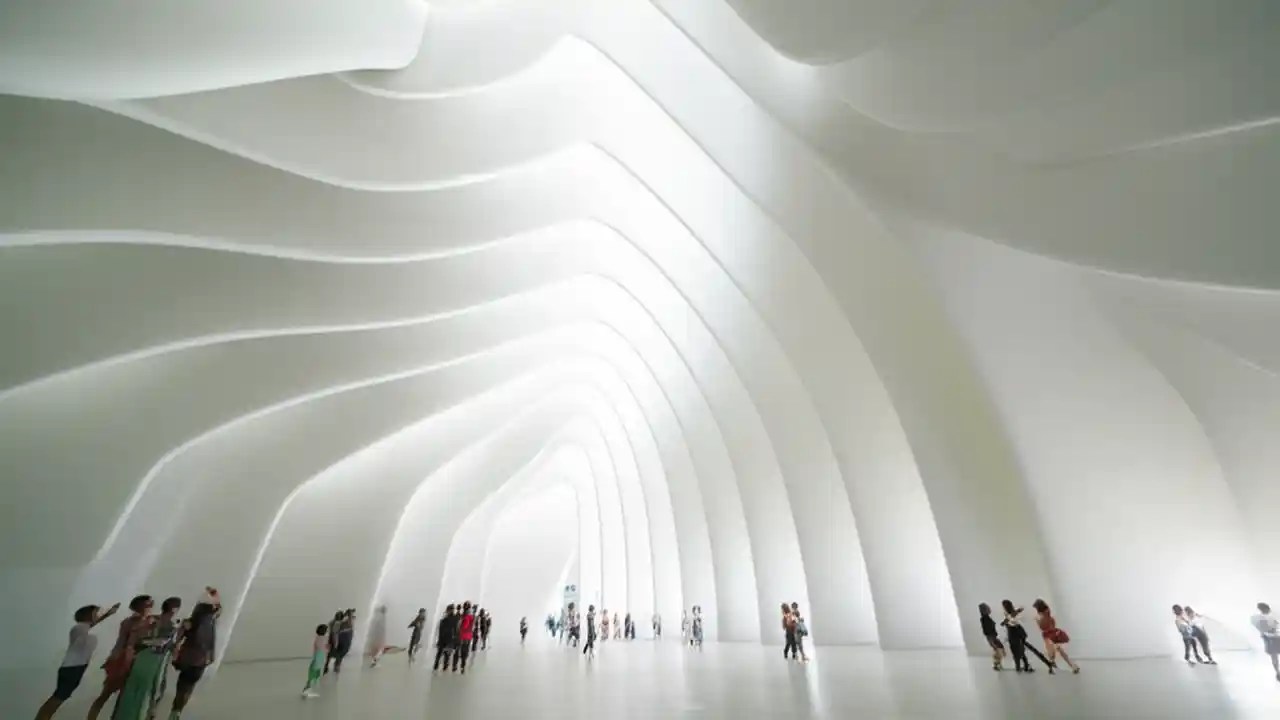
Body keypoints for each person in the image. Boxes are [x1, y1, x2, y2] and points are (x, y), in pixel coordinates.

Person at [33, 602, 120, 720]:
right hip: (72, 668)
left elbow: (92, 623)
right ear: (88, 615)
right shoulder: (79, 628)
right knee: (58, 698)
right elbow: (91, 624)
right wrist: (106, 615)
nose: (97, 615)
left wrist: (108, 614)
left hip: (76, 668)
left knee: (59, 697)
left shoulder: (82, 628)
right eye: (95, 613)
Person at [87, 595, 154, 720]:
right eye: (148, 605)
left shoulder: (147, 622)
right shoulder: (131, 622)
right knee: (105, 694)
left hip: (133, 662)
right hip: (121, 661)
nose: (150, 608)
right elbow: (128, 641)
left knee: (123, 698)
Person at [116, 596, 184, 720]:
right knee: (152, 689)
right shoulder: (173, 626)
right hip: (156, 661)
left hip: (141, 658)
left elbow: (134, 639)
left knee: (133, 688)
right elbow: (172, 647)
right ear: (174, 609)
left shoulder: (150, 620)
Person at [168, 588, 222, 719]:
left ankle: (175, 710)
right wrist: (215, 595)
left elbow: (177, 639)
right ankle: (177, 712)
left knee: (182, 686)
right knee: (189, 687)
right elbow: (219, 609)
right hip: (202, 660)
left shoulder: (190, 622)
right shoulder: (211, 620)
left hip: (187, 659)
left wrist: (174, 652)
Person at [1000, 600, 1053, 673]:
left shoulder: (1012, 614)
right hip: (1015, 635)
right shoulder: (1009, 615)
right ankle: (1025, 666)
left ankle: (1046, 663)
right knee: (1021, 652)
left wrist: (1016, 612)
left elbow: (1012, 620)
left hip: (1017, 635)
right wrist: (1015, 613)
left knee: (1023, 651)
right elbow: (1004, 623)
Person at [1033, 599, 1080, 674]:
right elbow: (1053, 623)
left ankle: (1054, 668)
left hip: (1048, 636)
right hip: (1054, 633)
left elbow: (1042, 627)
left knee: (1051, 653)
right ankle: (1073, 665)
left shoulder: (1041, 617)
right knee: (1058, 651)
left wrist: (1037, 621)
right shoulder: (1048, 614)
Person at [1250, 602, 1280, 682]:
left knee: (1274, 657)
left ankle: (1277, 672)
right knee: (1274, 657)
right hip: (1273, 638)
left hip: (1270, 638)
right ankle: (1277, 673)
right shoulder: (1266, 617)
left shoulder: (1256, 618)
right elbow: (1272, 627)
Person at [301, 625, 327, 699]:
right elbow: (322, 648)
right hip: (319, 657)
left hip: (318, 657)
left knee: (313, 673)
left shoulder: (319, 638)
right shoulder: (322, 639)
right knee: (314, 673)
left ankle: (308, 688)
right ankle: (307, 688)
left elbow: (321, 648)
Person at [978, 603, 1006, 671]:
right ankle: (996, 664)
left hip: (993, 637)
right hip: (991, 637)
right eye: (988, 608)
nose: (990, 609)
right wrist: (991, 642)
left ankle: (997, 664)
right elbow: (986, 631)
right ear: (985, 610)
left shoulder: (987, 617)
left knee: (1000, 649)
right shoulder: (984, 619)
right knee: (998, 650)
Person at [432, 604, 458, 673]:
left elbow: (455, 630)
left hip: (447, 639)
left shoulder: (451, 619)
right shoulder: (447, 619)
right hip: (446, 640)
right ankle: (440, 668)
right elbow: (441, 630)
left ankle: (440, 668)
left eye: (450, 610)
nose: (449, 611)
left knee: (443, 654)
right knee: (442, 654)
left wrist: (454, 641)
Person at [454, 603, 475, 673]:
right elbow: (472, 628)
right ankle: (463, 666)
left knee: (457, 651)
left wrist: (459, 627)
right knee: (464, 652)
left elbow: (464, 626)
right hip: (468, 637)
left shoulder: (465, 617)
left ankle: (455, 665)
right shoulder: (473, 618)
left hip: (462, 636)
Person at [332, 609, 354, 673]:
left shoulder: (344, 622)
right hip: (342, 641)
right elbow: (335, 633)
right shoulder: (338, 623)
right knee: (341, 653)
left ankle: (337, 664)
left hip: (345, 640)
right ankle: (337, 665)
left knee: (342, 653)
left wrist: (348, 613)